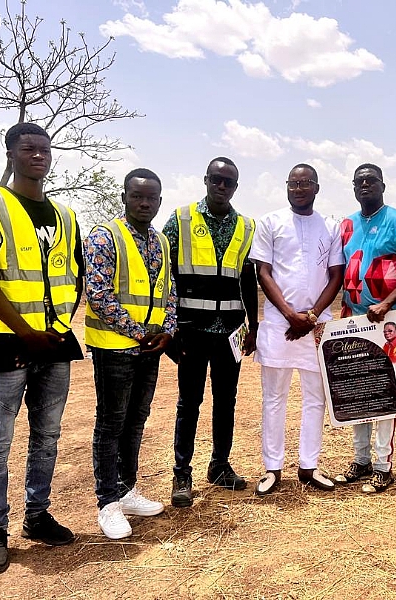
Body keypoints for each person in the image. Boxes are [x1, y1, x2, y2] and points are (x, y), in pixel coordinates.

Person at [0, 122, 83, 574]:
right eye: (28, 149)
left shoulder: (66, 215)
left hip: (53, 343)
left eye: (45, 149)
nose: (39, 156)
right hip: (7, 345)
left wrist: (60, 324)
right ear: (11, 153)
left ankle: (36, 516)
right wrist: (24, 331)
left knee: (47, 437)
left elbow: (74, 276)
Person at [84, 168, 176, 540]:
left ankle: (126, 489)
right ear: (123, 197)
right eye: (136, 196)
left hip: (149, 348)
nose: (143, 203)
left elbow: (169, 291)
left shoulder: (160, 241)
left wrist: (167, 329)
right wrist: (141, 333)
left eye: (151, 197)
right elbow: (98, 294)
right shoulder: (104, 237)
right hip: (114, 347)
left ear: (159, 200)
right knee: (111, 423)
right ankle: (108, 502)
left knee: (136, 420)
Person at [163, 157, 258, 507]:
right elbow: (164, 272)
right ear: (205, 180)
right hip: (191, 330)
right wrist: (170, 327)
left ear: (235, 187)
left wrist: (254, 325)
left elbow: (248, 278)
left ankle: (219, 465)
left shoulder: (247, 226)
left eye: (228, 182)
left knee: (226, 401)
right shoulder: (181, 218)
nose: (221, 186)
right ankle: (181, 473)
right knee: (189, 402)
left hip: (230, 330)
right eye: (216, 180)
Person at [335, 163, 396, 493]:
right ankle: (360, 461)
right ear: (353, 187)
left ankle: (382, 465)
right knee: (357, 392)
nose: (365, 186)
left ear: (383, 186)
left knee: (385, 393)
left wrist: (388, 302)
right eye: (359, 181)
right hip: (351, 321)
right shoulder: (346, 225)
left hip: (387, 321)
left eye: (371, 181)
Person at [250, 164, 345, 495]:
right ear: (286, 186)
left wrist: (312, 315)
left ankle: (309, 466)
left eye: (306, 183)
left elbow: (336, 274)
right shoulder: (270, 222)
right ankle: (272, 468)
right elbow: (263, 272)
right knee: (274, 398)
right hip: (279, 324)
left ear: (317, 188)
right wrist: (291, 314)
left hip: (317, 326)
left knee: (315, 398)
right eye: (293, 183)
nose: (299, 188)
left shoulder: (331, 226)